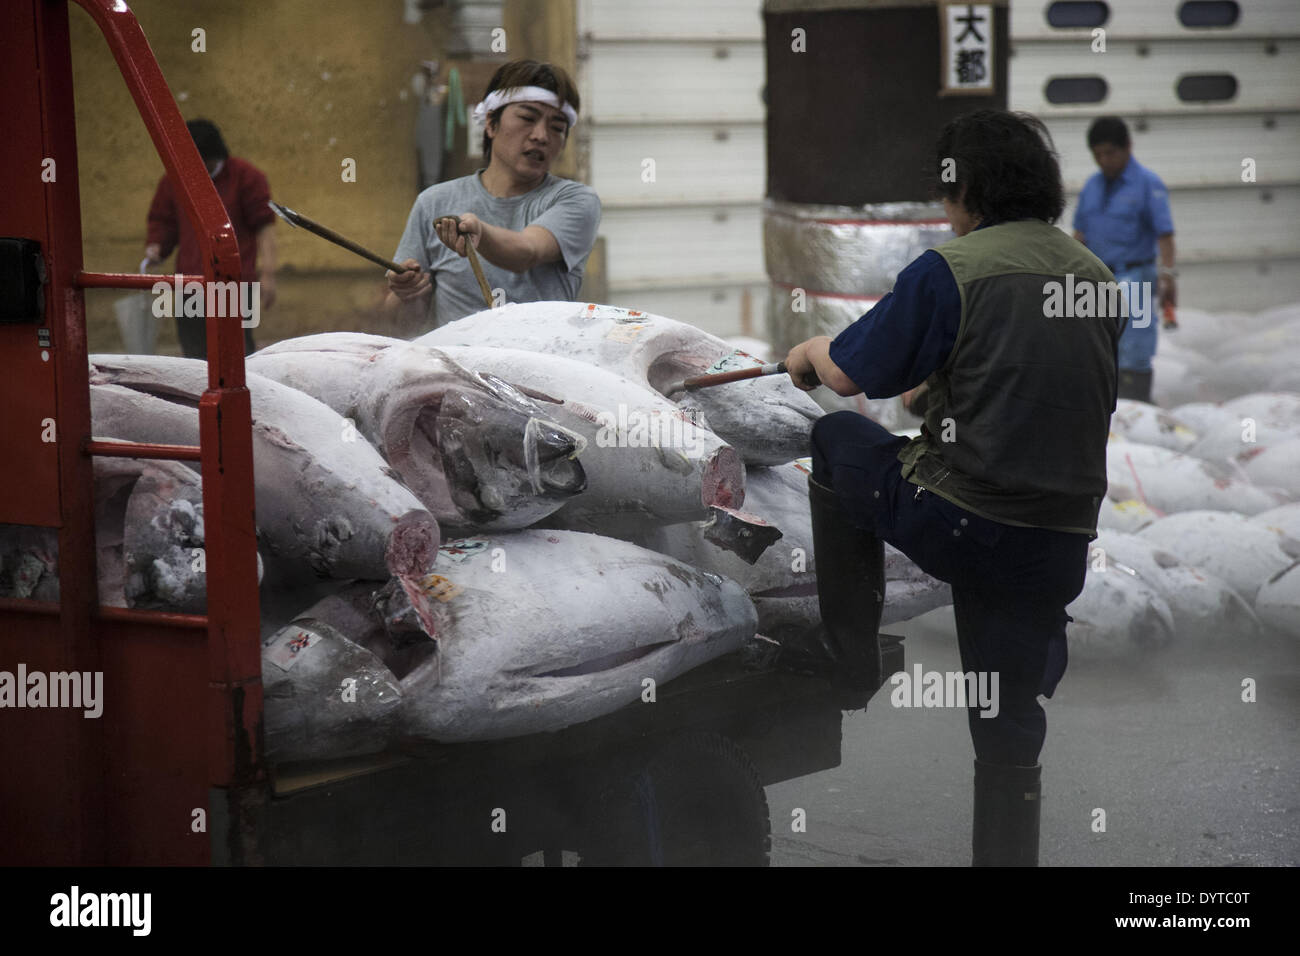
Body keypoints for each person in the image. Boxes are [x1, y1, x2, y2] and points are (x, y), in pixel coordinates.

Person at [781, 110, 1122, 867]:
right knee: (1005, 715)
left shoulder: (952, 268)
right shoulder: (1096, 278)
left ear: (964, 188)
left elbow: (848, 373)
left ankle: (848, 654)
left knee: (838, 439)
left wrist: (809, 349)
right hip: (1060, 542)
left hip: (970, 523)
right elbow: (1046, 384)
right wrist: (944, 391)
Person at [384, 59, 601, 330]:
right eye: (527, 118)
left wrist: (482, 234)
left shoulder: (575, 200)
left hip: (538, 366)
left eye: (557, 127)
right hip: (457, 368)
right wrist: (409, 295)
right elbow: (405, 327)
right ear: (490, 123)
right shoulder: (433, 203)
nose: (541, 136)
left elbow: (528, 251)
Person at [145, 119, 277, 358]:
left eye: (203, 162)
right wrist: (156, 247)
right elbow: (163, 221)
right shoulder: (174, 180)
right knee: (194, 354)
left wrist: (268, 273)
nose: (196, 168)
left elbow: (265, 227)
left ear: (216, 156)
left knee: (236, 353)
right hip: (190, 282)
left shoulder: (246, 177)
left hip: (234, 285)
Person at [1072, 116, 1176, 403]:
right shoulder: (1091, 186)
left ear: (1127, 147)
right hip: (1096, 279)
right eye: (1098, 154)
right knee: (1095, 349)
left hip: (1136, 278)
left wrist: (1168, 275)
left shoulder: (1147, 184)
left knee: (1134, 351)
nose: (1104, 160)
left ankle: (1136, 409)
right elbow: (1079, 233)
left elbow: (1165, 236)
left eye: (1110, 153)